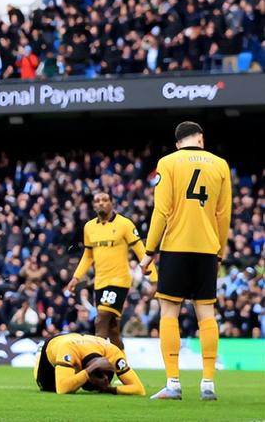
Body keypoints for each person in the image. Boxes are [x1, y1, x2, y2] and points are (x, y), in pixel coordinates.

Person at [139, 121, 231, 401]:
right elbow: (223, 214)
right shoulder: (221, 165)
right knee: (207, 314)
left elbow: (161, 211)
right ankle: (208, 384)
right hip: (207, 248)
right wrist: (220, 250)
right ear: (201, 138)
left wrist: (149, 251)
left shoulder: (168, 163)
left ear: (178, 142)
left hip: (176, 247)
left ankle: (173, 383)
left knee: (169, 313)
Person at [65, 192, 157, 349]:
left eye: (105, 200)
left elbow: (141, 250)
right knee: (113, 329)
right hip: (100, 282)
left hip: (119, 281)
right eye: (97, 201)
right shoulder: (89, 227)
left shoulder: (124, 224)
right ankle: (122, 362)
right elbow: (88, 256)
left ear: (112, 203)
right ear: (94, 205)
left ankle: (96, 359)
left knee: (101, 319)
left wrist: (154, 278)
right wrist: (76, 278)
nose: (101, 203)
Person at [33, 333, 145, 395]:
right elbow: (62, 389)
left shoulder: (113, 353)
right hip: (56, 344)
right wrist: (89, 370)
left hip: (83, 342)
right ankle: (39, 353)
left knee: (74, 382)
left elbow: (139, 389)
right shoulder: (68, 350)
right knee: (48, 388)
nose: (105, 380)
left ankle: (76, 372)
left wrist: (110, 389)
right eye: (99, 376)